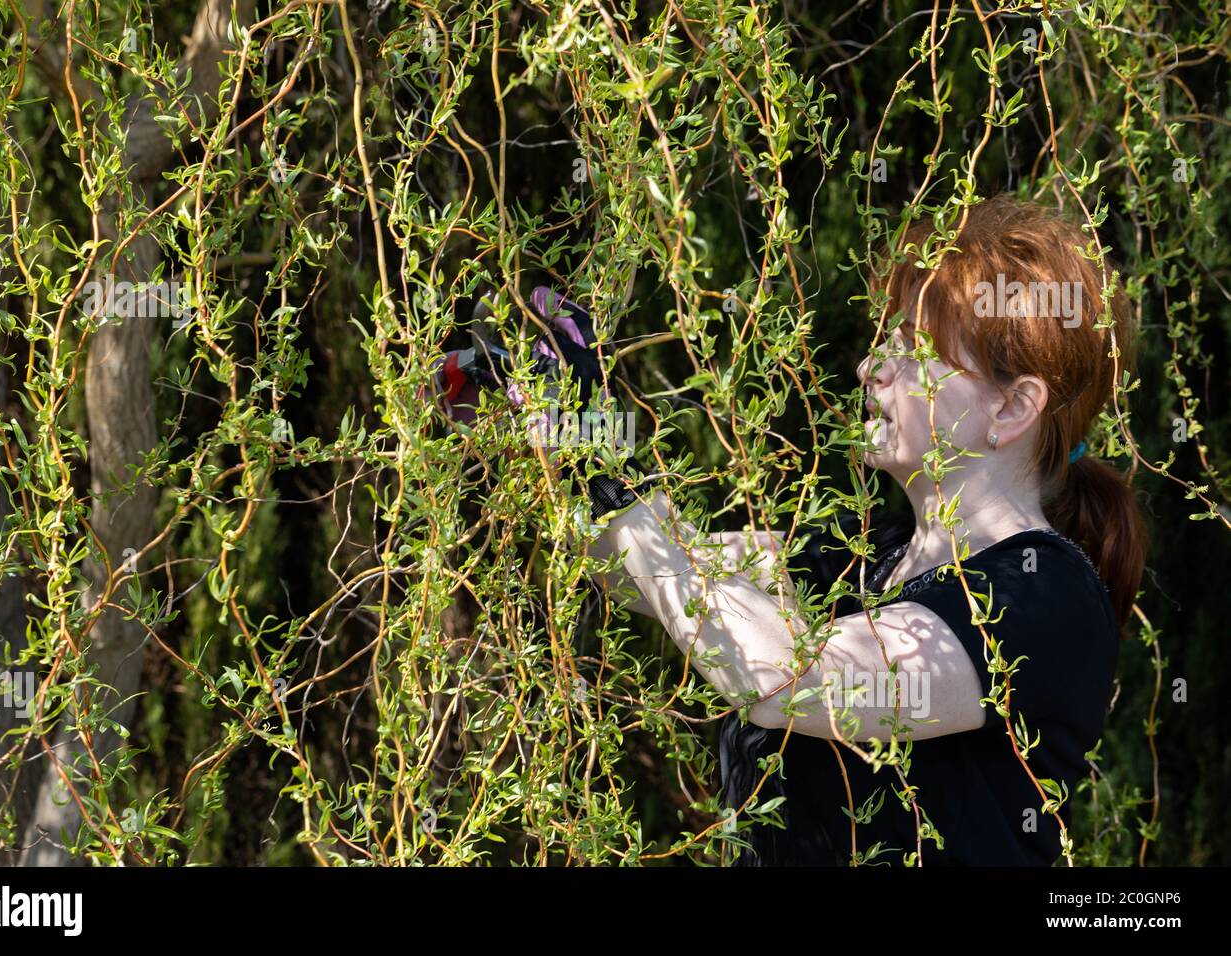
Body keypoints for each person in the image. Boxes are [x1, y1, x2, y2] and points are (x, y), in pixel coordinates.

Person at [437, 195, 1148, 865]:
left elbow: (784, 676)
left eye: (912, 350)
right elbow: (639, 576)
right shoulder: (861, 549)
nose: (871, 367)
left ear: (1014, 409)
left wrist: (623, 490)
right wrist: (571, 440)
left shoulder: (1040, 600)